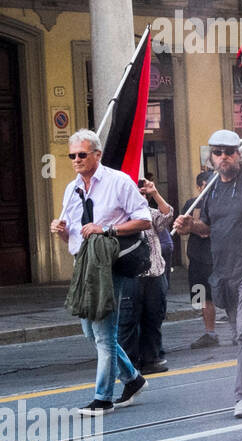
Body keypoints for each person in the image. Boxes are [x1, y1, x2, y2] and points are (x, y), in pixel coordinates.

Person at [176, 130, 242, 419]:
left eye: (229, 152)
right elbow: (206, 228)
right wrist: (189, 226)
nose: (224, 158)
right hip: (223, 270)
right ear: (211, 158)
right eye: (218, 153)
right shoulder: (209, 188)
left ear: (239, 154)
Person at [51, 130, 153, 414]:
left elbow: (144, 220)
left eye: (82, 154)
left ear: (97, 154)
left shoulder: (118, 182)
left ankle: (103, 398)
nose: (76, 160)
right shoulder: (71, 189)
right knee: (90, 331)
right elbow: (73, 237)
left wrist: (106, 229)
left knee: (104, 333)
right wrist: (60, 231)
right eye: (72, 155)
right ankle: (132, 378)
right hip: (84, 266)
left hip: (113, 264)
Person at [117, 179, 174, 374]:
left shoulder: (150, 215)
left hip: (155, 274)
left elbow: (168, 215)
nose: (140, 198)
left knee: (154, 317)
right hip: (131, 275)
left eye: (142, 195)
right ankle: (129, 364)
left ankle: (151, 358)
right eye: (137, 195)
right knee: (128, 321)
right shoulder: (121, 217)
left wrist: (155, 193)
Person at [184, 171, 221, 349]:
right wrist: (196, 227)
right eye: (206, 185)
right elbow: (184, 228)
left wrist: (198, 227)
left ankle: (239, 330)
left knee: (226, 294)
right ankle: (209, 332)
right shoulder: (191, 204)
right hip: (197, 257)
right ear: (199, 187)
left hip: (218, 257)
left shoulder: (221, 203)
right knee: (200, 296)